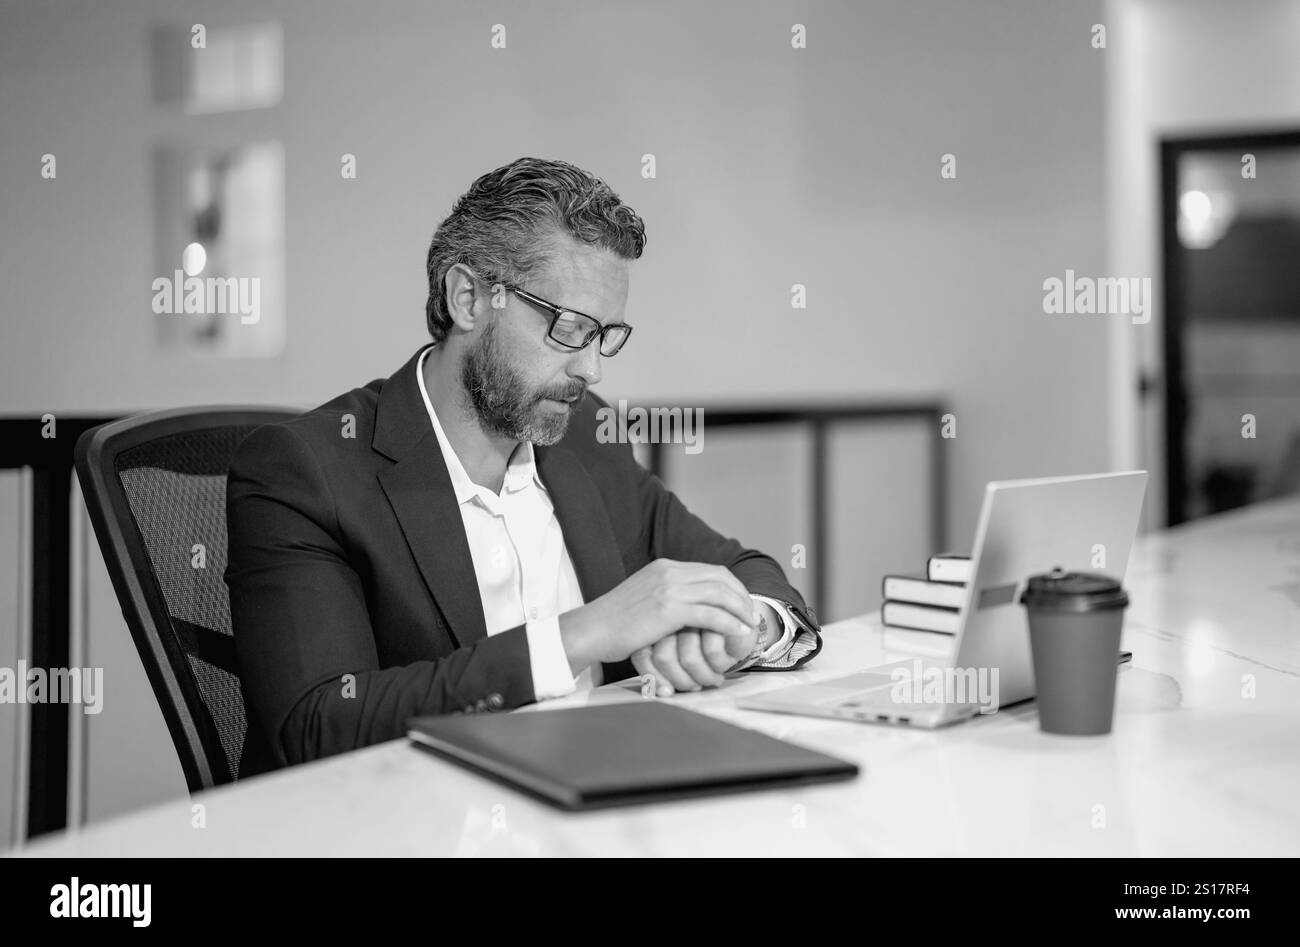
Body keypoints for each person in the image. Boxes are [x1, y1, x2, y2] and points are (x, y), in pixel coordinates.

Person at [225, 157, 821, 776]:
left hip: (592, 805)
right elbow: (317, 724)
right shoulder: (306, 470)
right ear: (469, 298)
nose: (591, 370)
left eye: (606, 336)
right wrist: (583, 635)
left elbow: (746, 570)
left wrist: (742, 628)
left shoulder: (587, 433)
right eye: (569, 329)